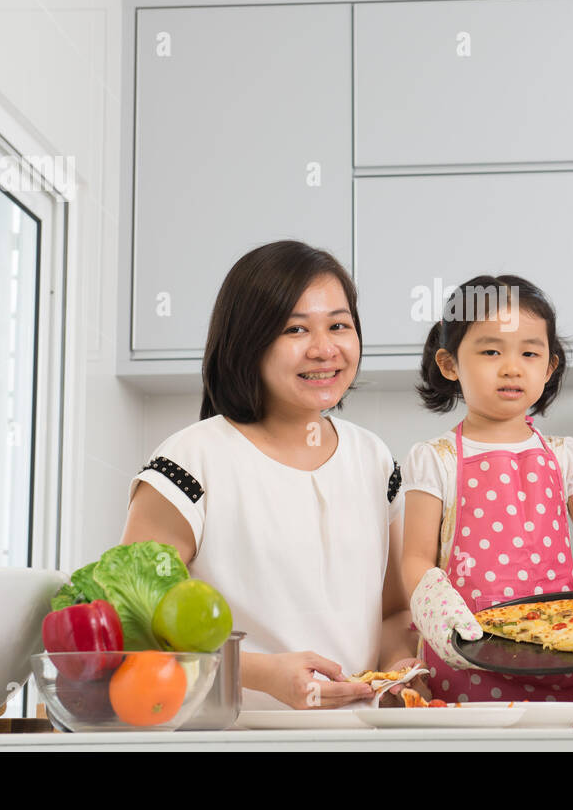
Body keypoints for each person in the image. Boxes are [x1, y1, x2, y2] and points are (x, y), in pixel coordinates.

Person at [120, 240, 421, 711]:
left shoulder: (375, 460)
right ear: (248, 342)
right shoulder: (189, 462)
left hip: (361, 740)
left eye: (339, 325)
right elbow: (135, 621)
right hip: (233, 739)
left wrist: (401, 666)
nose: (325, 349)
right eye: (295, 329)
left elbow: (393, 612)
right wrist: (260, 673)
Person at [400, 274, 573, 708]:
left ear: (549, 367)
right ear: (450, 365)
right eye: (490, 351)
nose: (511, 367)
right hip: (466, 655)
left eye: (529, 352)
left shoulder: (566, 457)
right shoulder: (434, 459)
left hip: (563, 652)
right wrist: (436, 608)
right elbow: (415, 558)